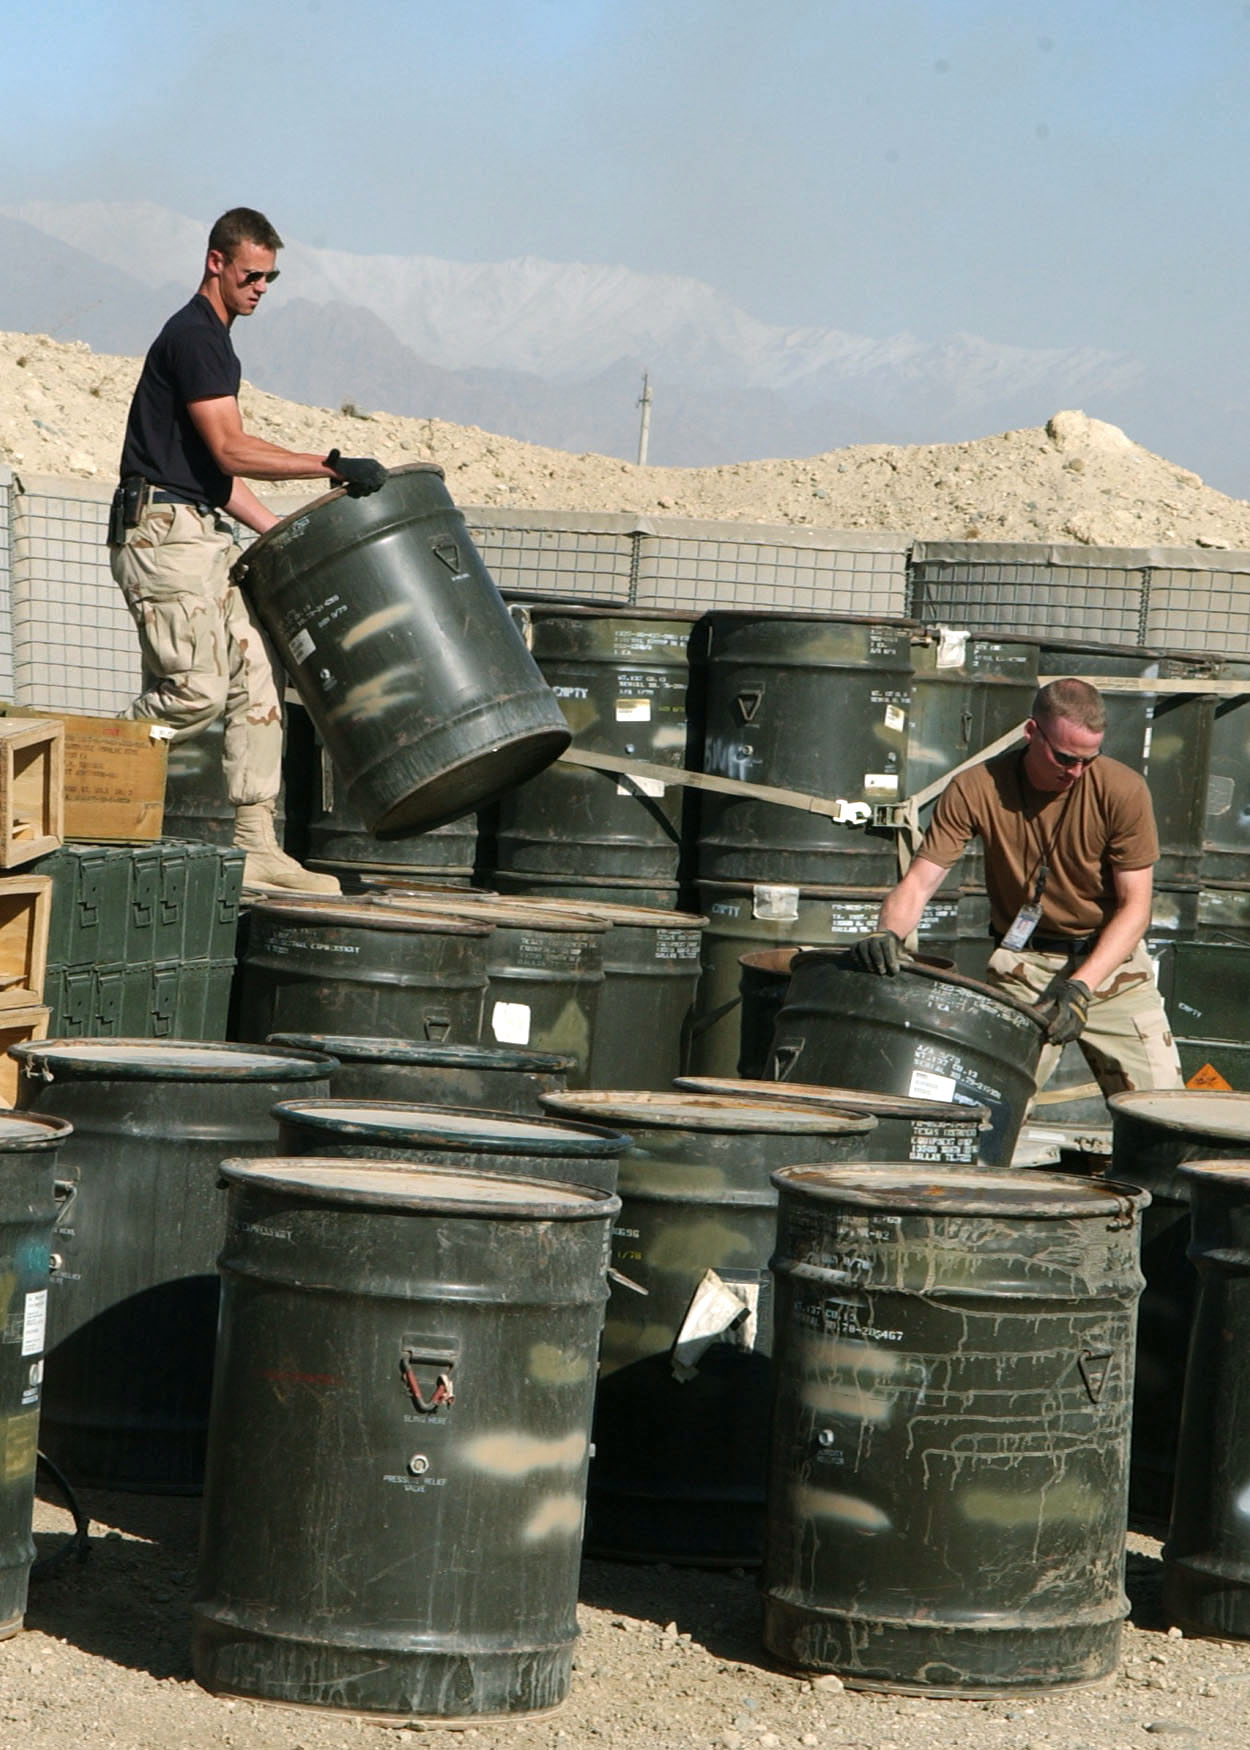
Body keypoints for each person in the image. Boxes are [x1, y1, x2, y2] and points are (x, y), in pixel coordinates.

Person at [107, 206, 389, 894]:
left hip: (199, 529)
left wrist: (280, 531)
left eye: (271, 277)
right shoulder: (197, 337)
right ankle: (78, 763)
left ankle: (255, 845)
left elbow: (214, 477)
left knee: (258, 675)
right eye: (252, 275)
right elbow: (231, 449)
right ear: (216, 263)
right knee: (196, 690)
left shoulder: (216, 341)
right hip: (163, 538)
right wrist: (329, 463)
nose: (262, 287)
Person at [851, 676, 1183, 1098]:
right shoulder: (976, 788)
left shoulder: (1123, 790)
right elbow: (919, 882)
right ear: (1031, 733)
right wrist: (888, 933)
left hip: (1111, 967)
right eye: (1065, 758)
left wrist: (1081, 987)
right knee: (992, 1106)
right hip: (1024, 969)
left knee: (1162, 1113)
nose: (1076, 772)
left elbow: (1136, 908)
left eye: (1089, 759)